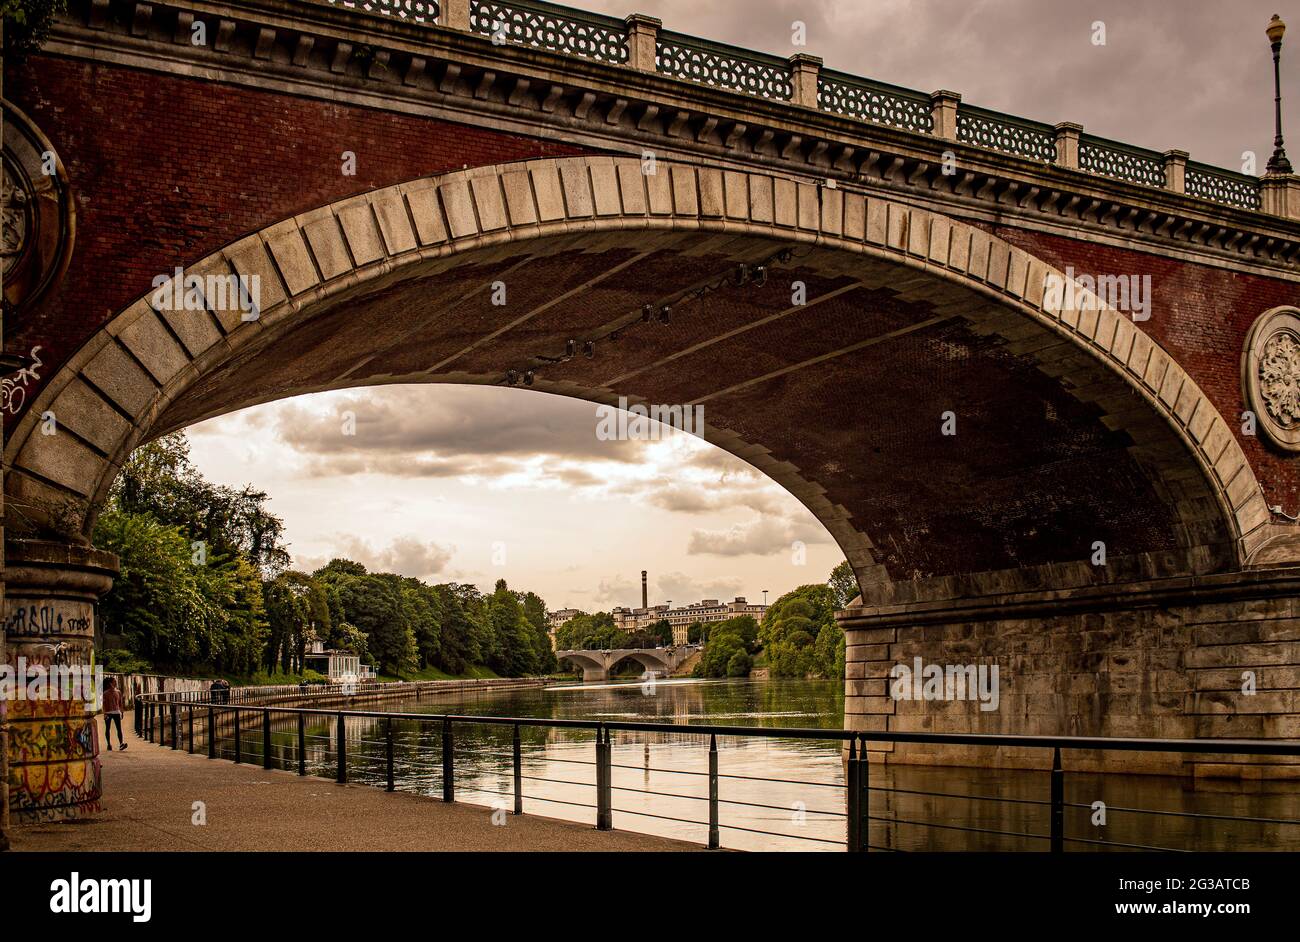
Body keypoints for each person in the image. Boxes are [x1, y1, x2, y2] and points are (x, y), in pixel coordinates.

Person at [102, 678, 127, 751]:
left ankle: (121, 743)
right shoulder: (105, 693)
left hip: (116, 712)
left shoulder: (118, 692)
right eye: (114, 682)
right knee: (107, 729)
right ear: (110, 683)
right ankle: (109, 744)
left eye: (115, 682)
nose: (115, 683)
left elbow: (120, 703)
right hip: (108, 713)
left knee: (119, 729)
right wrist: (105, 714)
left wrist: (122, 712)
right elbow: (103, 704)